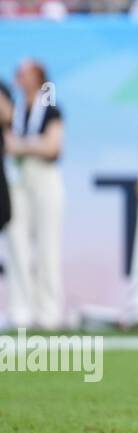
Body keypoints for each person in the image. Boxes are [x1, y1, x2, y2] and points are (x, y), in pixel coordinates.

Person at [5, 60, 65, 330]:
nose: (20, 78)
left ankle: (48, 312)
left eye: (26, 74)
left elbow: (53, 148)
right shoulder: (14, 110)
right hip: (18, 179)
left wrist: (24, 146)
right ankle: (20, 310)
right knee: (16, 244)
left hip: (43, 176)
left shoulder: (50, 110)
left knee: (47, 246)